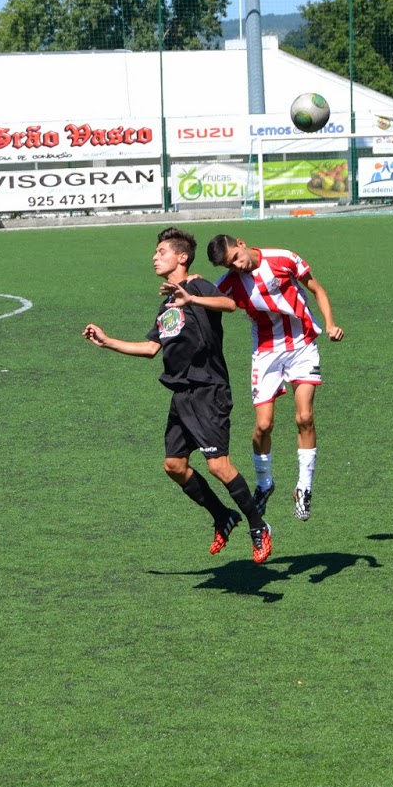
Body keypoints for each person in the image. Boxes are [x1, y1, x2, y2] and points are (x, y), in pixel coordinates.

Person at [82, 226, 272, 564]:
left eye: (162, 252)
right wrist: (108, 342)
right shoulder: (167, 304)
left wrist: (192, 297)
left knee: (218, 466)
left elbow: (230, 303)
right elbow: (151, 348)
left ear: (181, 257)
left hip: (208, 390)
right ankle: (222, 516)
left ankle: (258, 526)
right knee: (173, 465)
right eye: (155, 254)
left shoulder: (198, 285)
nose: (155, 257)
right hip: (181, 395)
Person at [205, 234, 343, 523]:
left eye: (235, 258)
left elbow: (316, 289)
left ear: (241, 244)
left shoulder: (283, 258)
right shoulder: (228, 284)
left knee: (304, 417)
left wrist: (330, 324)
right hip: (266, 352)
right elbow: (203, 300)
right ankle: (265, 483)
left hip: (302, 345)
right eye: (229, 265)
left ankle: (304, 487)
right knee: (263, 425)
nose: (237, 266)